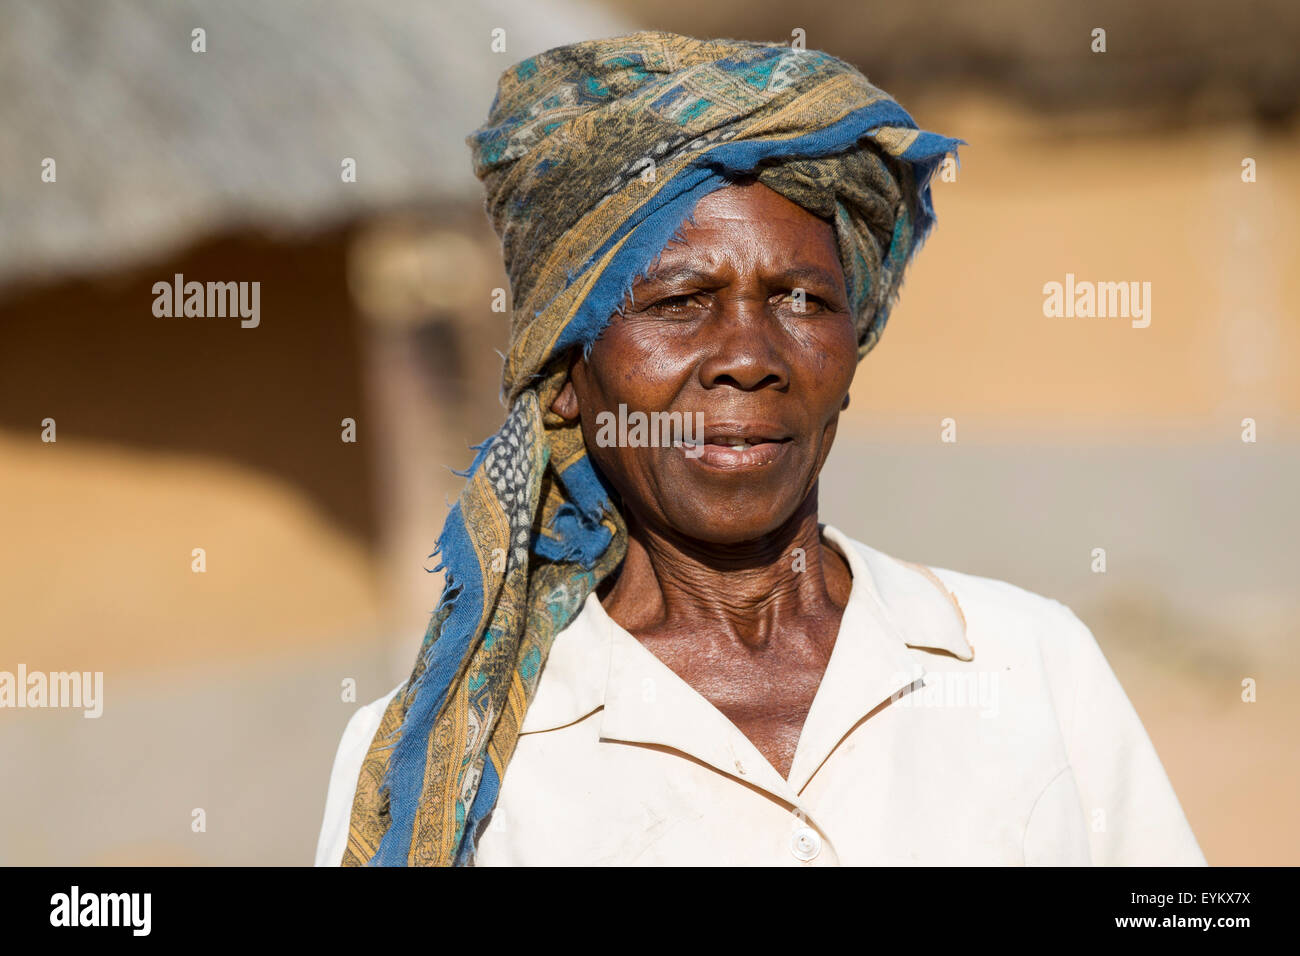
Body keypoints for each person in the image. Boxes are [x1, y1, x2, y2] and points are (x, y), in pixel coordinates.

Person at [315, 31, 1205, 866]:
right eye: (678, 301)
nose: (750, 358)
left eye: (802, 301)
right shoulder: (455, 763)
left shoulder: (1030, 663)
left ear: (851, 356)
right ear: (566, 377)